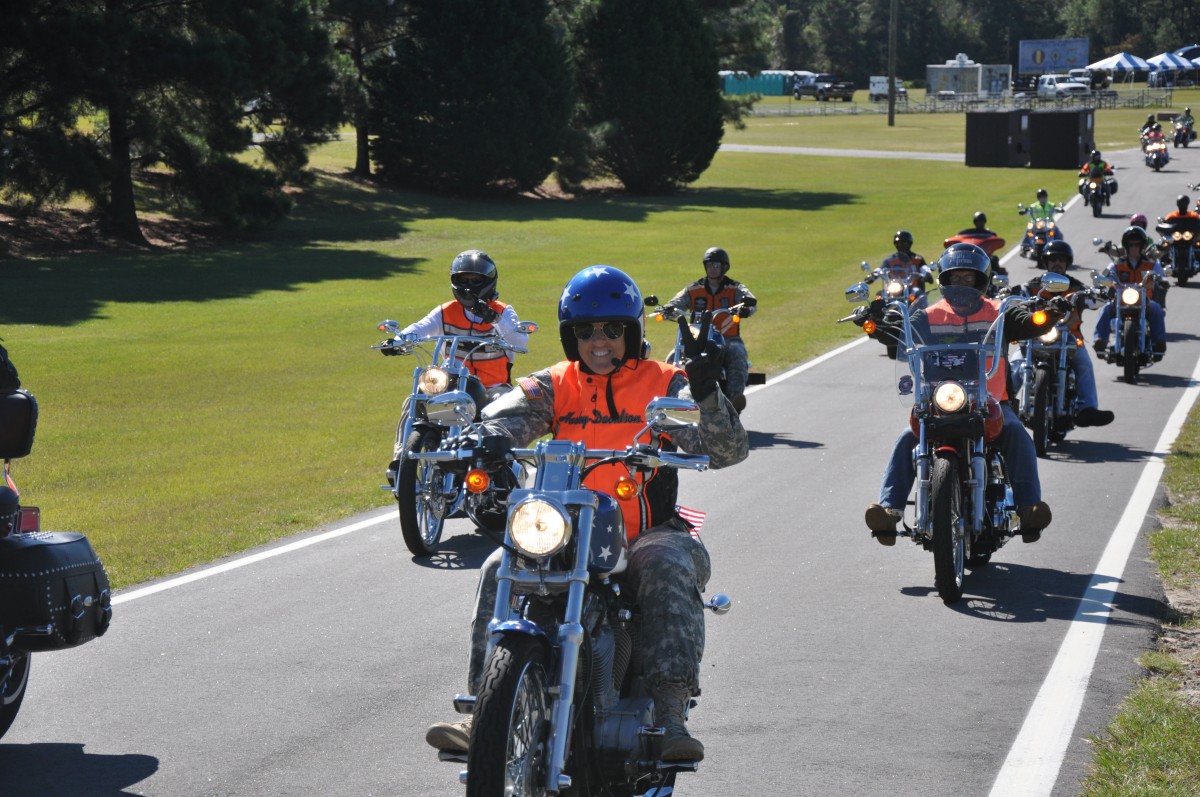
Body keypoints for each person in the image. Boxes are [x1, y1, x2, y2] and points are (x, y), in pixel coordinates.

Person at [424, 265, 749, 762]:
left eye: (613, 330)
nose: (600, 341)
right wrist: (480, 434)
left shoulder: (665, 382)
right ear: (569, 335)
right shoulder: (555, 383)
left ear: (633, 332)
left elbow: (724, 450)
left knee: (668, 566)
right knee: (497, 567)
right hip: (563, 531)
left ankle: (669, 715)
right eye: (586, 330)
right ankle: (480, 708)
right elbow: (509, 413)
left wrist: (707, 392)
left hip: (647, 533)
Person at [863, 243, 1066, 545]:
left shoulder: (1000, 312)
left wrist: (1047, 315)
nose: (961, 285)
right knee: (908, 437)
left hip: (991, 400)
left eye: (968, 278)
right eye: (955, 278)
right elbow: (900, 331)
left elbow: (1026, 321)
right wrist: (876, 322)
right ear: (944, 281)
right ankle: (890, 512)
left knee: (1017, 433)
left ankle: (1028, 509)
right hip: (939, 401)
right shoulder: (930, 315)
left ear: (980, 280)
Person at [381, 250, 529, 464]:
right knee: (414, 400)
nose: (469, 285)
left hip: (493, 387)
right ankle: (401, 459)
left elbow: (519, 340)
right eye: (463, 280)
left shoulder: (503, 311)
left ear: (488, 281)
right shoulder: (445, 311)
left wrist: (494, 318)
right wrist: (398, 340)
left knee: (506, 410)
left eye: (476, 280)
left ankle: (505, 464)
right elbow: (421, 328)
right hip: (450, 383)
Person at [1009, 241, 1115, 428]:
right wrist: (1009, 296)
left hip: (1069, 339)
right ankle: (1004, 406)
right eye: (1053, 259)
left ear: (1067, 263)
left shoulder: (1077, 288)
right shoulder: (1031, 286)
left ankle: (1087, 410)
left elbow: (1093, 302)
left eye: (1061, 260)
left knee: (1084, 364)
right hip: (1034, 338)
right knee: (1015, 365)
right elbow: (1017, 301)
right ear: (1046, 262)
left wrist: (1103, 295)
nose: (1057, 263)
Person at [662, 247, 759, 413]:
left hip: (727, 337)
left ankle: (734, 400)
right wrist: (667, 309)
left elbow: (750, 301)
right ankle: (665, 393)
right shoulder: (694, 289)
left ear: (724, 267)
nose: (713, 268)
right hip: (697, 337)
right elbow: (677, 301)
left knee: (737, 353)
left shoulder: (734, 288)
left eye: (716, 265)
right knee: (673, 356)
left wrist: (746, 309)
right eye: (710, 265)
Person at [1093, 226, 1168, 357]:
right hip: (1120, 301)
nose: (1134, 248)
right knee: (1105, 309)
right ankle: (1100, 340)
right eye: (1131, 244)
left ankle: (1159, 343)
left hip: (1145, 301)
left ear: (1142, 246)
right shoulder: (1116, 264)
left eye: (1137, 245)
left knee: (1157, 309)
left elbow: (1161, 276)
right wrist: (1106, 282)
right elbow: (1106, 276)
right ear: (1126, 246)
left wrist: (1160, 280)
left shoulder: (1151, 264)